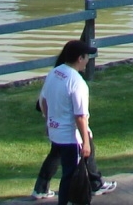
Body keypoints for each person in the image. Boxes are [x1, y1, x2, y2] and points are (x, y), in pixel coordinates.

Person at [34, 40, 115, 202]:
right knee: (69, 176)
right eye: (87, 57)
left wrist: (49, 122)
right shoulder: (77, 83)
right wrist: (86, 142)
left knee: (67, 172)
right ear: (80, 58)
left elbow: (43, 101)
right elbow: (80, 116)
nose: (88, 61)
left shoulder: (54, 73)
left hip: (56, 132)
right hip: (71, 138)